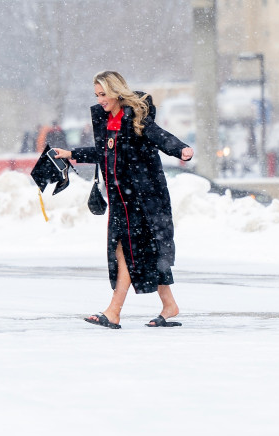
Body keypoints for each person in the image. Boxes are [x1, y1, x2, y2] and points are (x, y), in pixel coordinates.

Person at [52, 71, 194, 329]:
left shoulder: (136, 118)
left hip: (143, 199)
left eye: (103, 94)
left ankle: (114, 311)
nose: (100, 99)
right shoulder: (108, 121)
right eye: (97, 95)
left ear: (116, 91)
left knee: (127, 251)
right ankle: (169, 305)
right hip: (122, 200)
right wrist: (71, 153)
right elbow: (103, 153)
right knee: (143, 251)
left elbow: (158, 134)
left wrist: (179, 148)